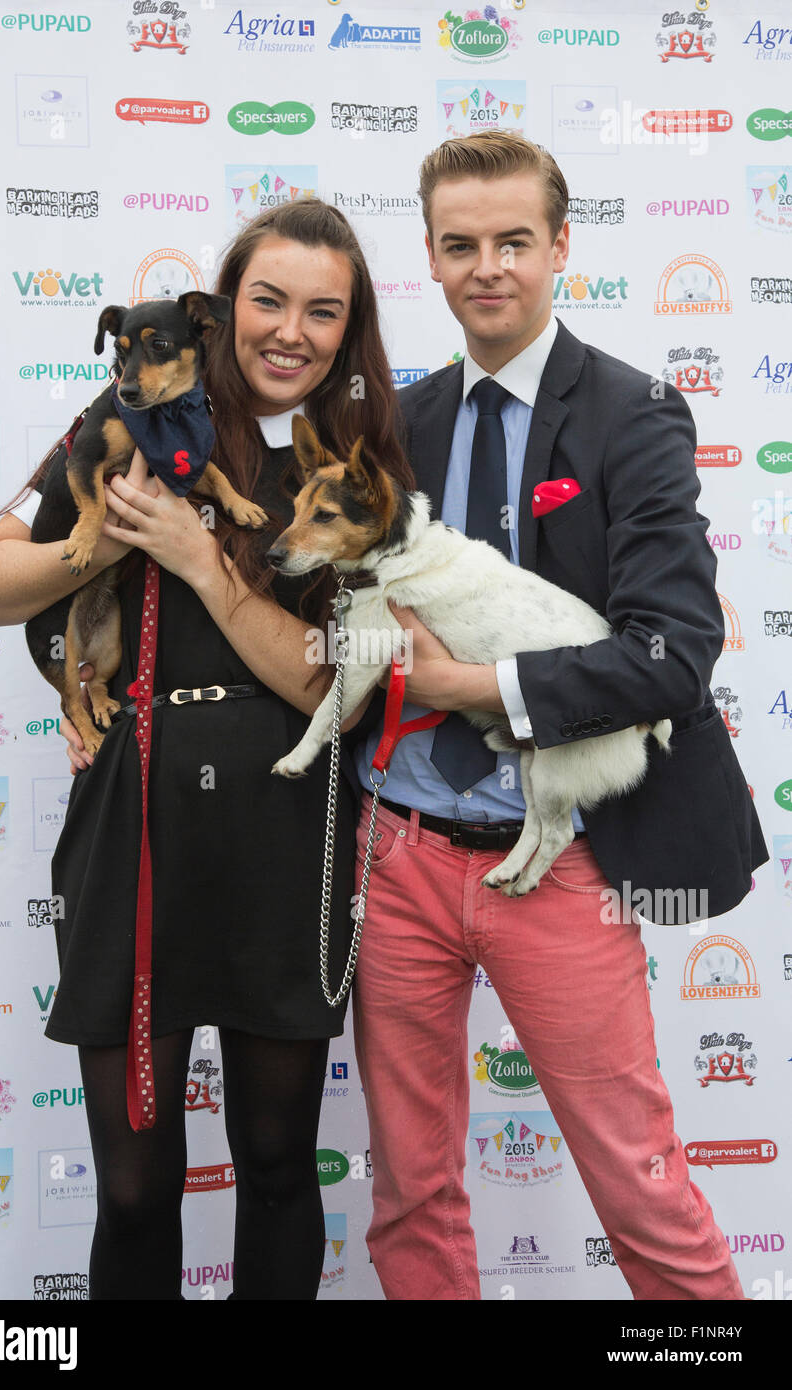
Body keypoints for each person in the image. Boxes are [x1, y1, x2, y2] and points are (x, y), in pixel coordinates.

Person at [0, 199, 413, 1300]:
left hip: (286, 818)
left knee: (271, 1162)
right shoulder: (129, 414)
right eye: (268, 299)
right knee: (131, 1183)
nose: (289, 330)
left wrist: (202, 560)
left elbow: (330, 690)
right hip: (133, 807)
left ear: (348, 331)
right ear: (217, 309)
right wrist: (105, 537)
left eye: (322, 310)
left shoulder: (361, 464)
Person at [341, 132, 768, 1300]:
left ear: (559, 246)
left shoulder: (633, 412)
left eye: (513, 240)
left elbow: (674, 655)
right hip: (401, 859)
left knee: (638, 1187)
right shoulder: (399, 422)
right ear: (429, 255)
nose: (489, 266)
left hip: (565, 863)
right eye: (461, 243)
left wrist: (477, 692)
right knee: (411, 1195)